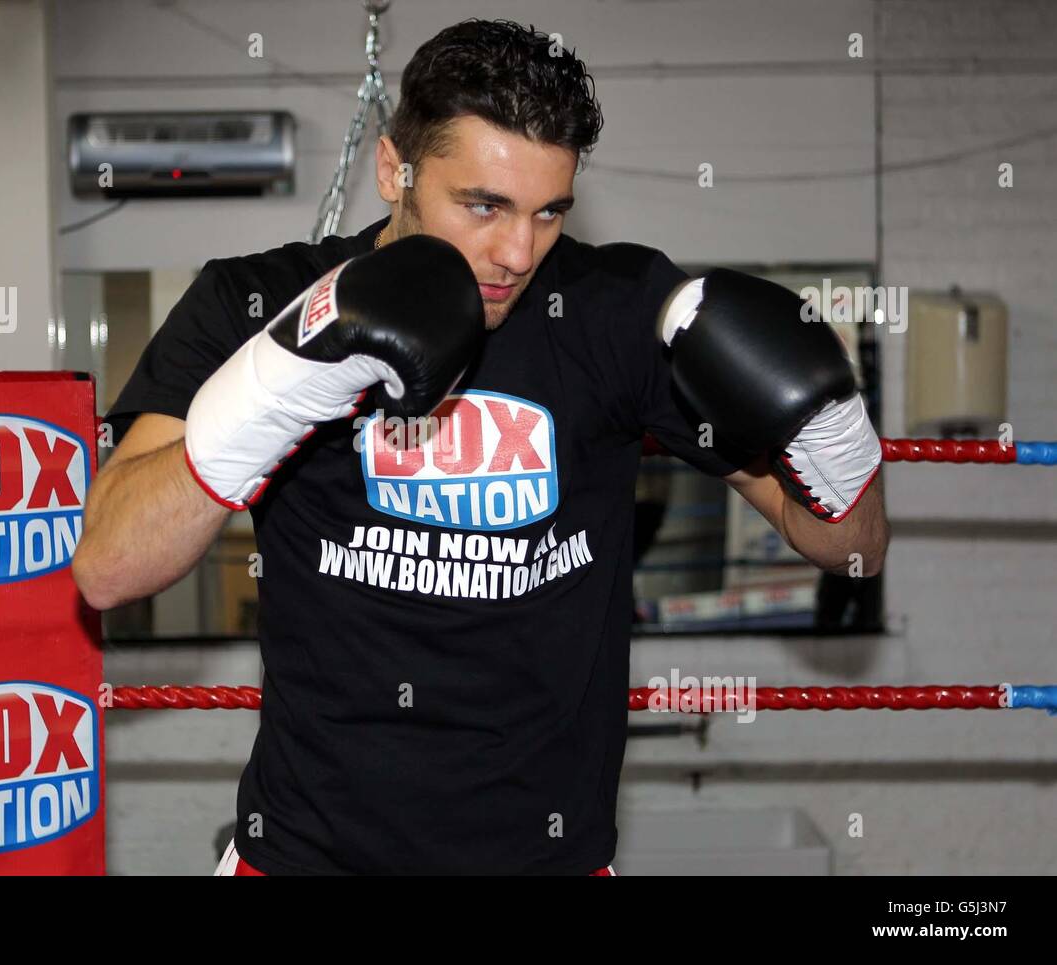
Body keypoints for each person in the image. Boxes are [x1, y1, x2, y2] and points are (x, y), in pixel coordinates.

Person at [73, 18, 889, 875]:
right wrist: (282, 380)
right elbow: (109, 568)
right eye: (484, 205)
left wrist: (836, 434)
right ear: (395, 169)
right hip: (305, 858)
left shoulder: (618, 313)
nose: (516, 253)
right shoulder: (255, 300)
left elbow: (851, 550)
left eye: (549, 213)